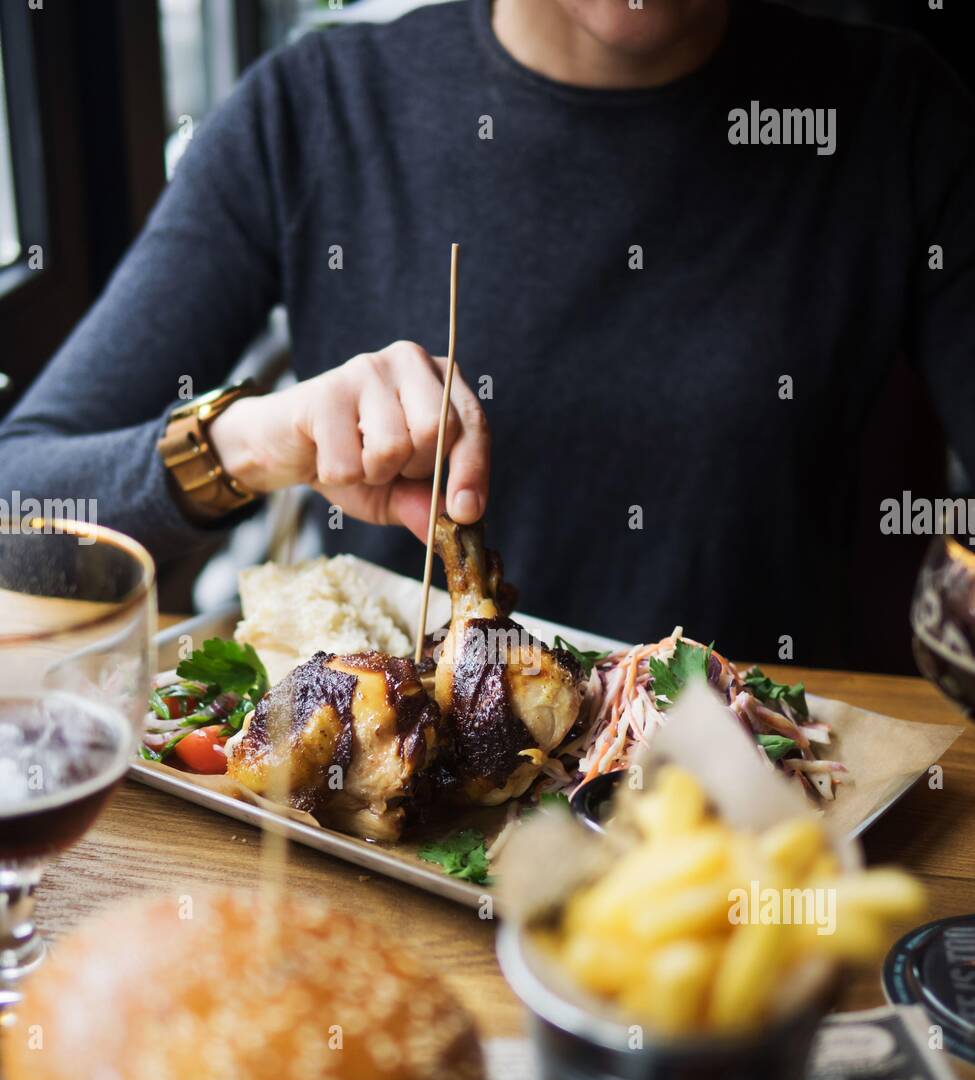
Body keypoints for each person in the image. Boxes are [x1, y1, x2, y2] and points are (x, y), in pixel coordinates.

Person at [1, 0, 973, 666]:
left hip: (763, 848)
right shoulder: (310, 111)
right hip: (404, 848)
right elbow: (17, 505)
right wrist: (248, 442)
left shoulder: (900, 115)